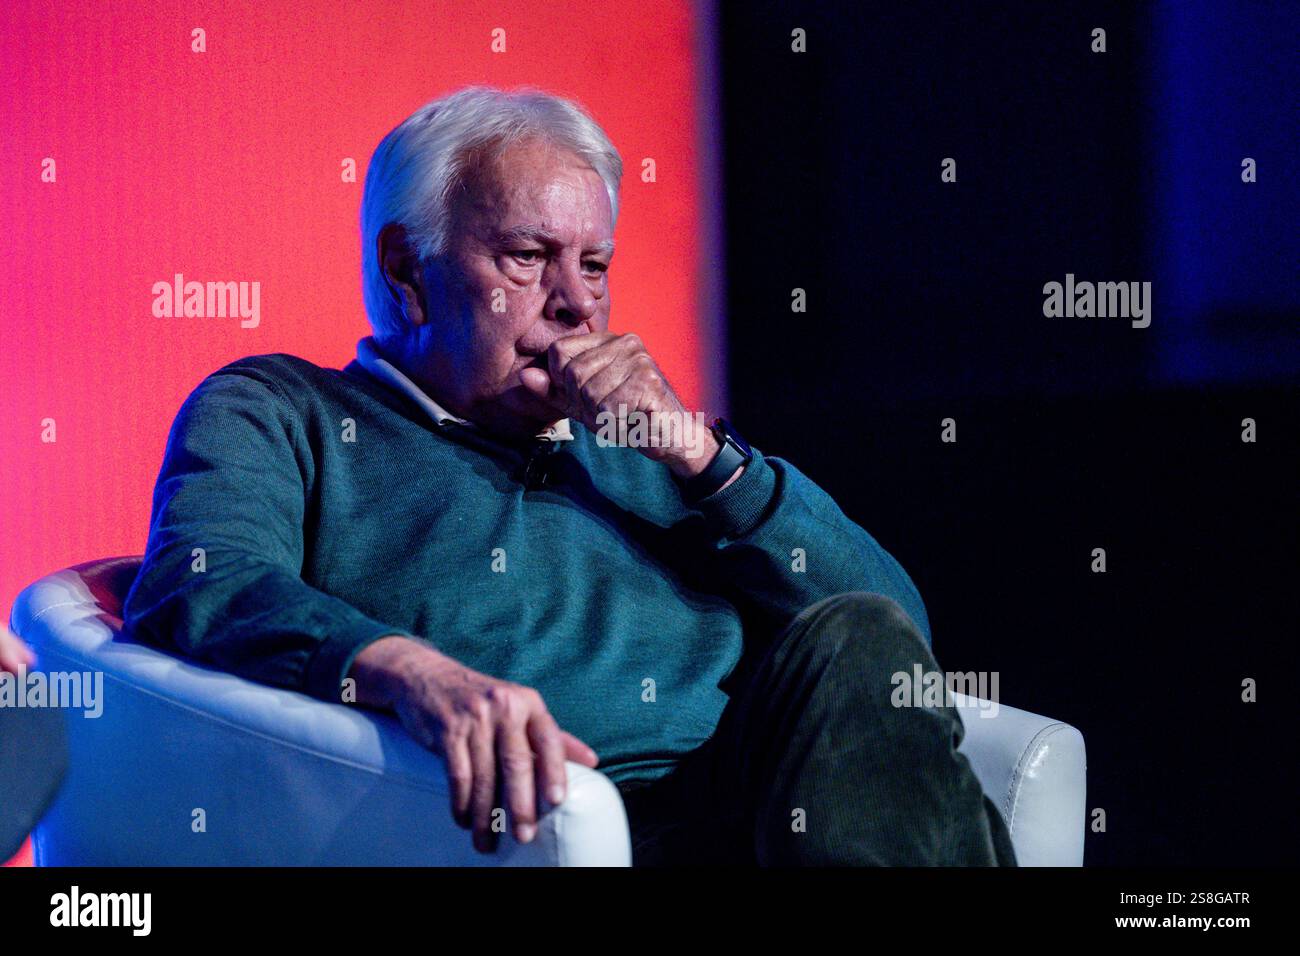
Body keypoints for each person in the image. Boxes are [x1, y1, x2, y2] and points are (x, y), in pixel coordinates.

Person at [123, 85, 1015, 866]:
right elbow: (197, 584)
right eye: (527, 256)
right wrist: (406, 671)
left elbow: (899, 647)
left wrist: (703, 457)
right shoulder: (280, 410)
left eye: (594, 265)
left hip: (771, 819)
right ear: (406, 272)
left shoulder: (653, 446)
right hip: (523, 831)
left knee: (855, 630)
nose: (579, 303)